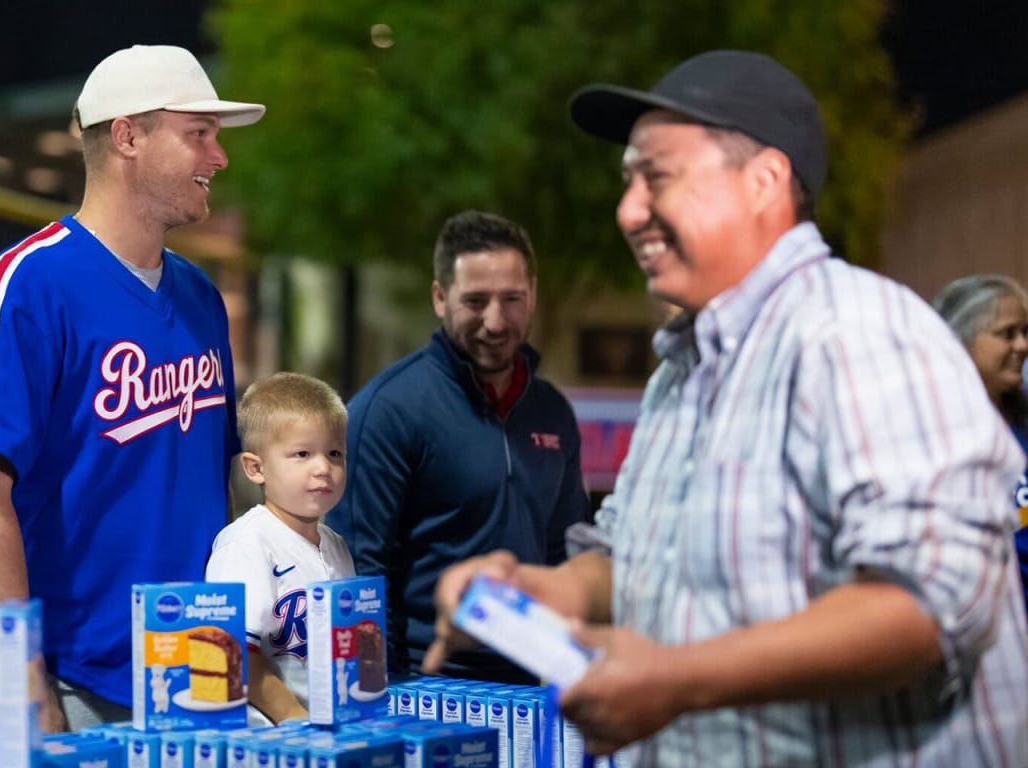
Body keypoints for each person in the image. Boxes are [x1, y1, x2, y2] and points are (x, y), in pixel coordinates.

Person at [427, 51, 1028, 765]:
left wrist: (679, 680)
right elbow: (635, 560)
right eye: (627, 183)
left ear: (763, 182)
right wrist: (542, 592)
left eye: (657, 177)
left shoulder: (860, 335)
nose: (628, 212)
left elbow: (927, 607)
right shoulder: (682, 373)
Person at [0, 44, 265, 730]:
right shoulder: (24, 287)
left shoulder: (200, 298)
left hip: (190, 668)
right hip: (65, 677)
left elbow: (208, 492)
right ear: (128, 135)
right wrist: (27, 689)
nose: (218, 158)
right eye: (198, 134)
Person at [328, 210, 589, 682]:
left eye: (512, 299)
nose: (495, 320)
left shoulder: (553, 412)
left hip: (537, 683)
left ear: (533, 296)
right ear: (439, 297)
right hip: (428, 683)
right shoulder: (389, 409)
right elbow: (362, 568)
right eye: (475, 301)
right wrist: (388, 696)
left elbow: (565, 553)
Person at [206, 372, 355, 725]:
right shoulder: (246, 544)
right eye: (302, 453)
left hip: (331, 729)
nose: (323, 468)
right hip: (270, 739)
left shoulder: (336, 545)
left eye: (335, 453)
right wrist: (293, 716)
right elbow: (234, 653)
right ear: (255, 468)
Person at [933, 274, 1028, 612]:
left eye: (1025, 332)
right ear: (962, 340)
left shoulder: (1022, 422)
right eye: (1007, 334)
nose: (1022, 346)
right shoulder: (937, 434)